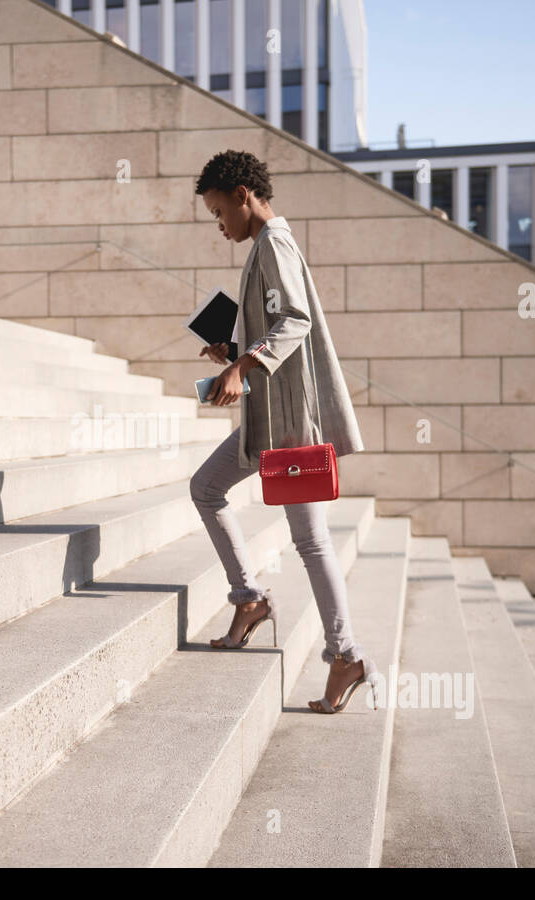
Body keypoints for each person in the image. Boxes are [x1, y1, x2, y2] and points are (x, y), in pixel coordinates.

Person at [190, 149, 375, 715]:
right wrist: (233, 350)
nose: (220, 226)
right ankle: (249, 599)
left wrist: (241, 367)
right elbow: (277, 323)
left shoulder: (274, 243)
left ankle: (344, 653)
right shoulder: (266, 246)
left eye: (221, 212)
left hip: (288, 428)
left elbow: (296, 319)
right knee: (208, 489)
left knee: (311, 541)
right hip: (270, 423)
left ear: (244, 195)